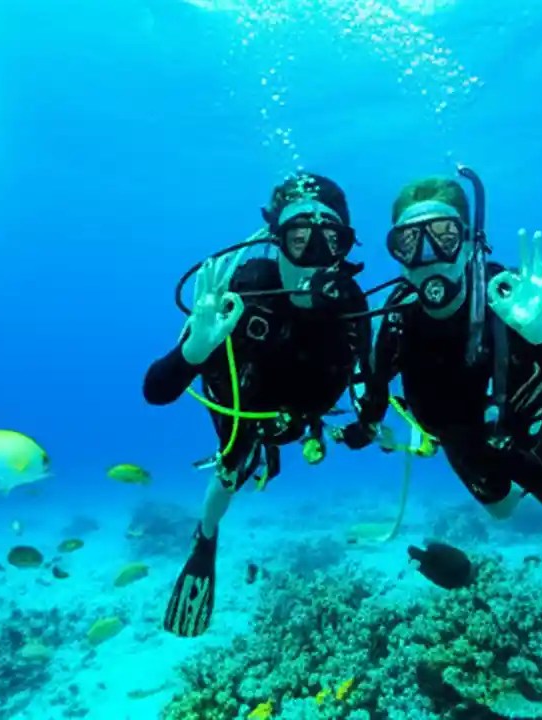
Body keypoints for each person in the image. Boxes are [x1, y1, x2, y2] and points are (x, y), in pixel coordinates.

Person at [143, 172, 372, 637]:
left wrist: (368, 424)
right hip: (245, 406)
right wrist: (195, 349)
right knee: (232, 467)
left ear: (345, 246)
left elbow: (370, 378)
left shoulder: (351, 304)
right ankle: (204, 541)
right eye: (298, 239)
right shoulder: (239, 294)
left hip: (308, 411)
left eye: (330, 241)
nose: (312, 257)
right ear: (275, 239)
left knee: (259, 453)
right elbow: (157, 391)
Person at [334, 168, 542, 523]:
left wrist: (539, 333)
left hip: (522, 433)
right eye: (411, 242)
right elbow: (374, 397)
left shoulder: (509, 301)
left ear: (470, 241)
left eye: (445, 236)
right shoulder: (396, 319)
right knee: (501, 511)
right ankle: (516, 485)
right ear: (398, 253)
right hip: (460, 442)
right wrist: (362, 422)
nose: (430, 255)